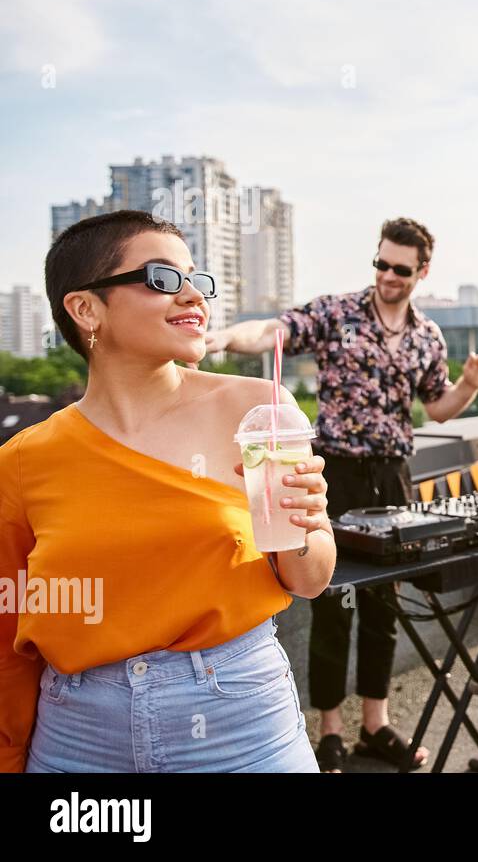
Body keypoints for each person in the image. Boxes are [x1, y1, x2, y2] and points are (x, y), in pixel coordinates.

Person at [1, 210, 335, 773]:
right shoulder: (25, 460)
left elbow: (309, 578)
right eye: (161, 279)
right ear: (86, 308)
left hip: (240, 721)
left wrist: (304, 523)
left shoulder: (259, 411)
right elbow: (9, 627)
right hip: (78, 737)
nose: (192, 296)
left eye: (196, 279)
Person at [207, 217, 478, 772]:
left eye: (400, 269)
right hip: (334, 472)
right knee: (331, 601)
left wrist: (470, 386)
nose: (388, 276)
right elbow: (275, 331)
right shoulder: (337, 313)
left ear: (422, 271)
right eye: (381, 263)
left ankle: (376, 724)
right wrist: (224, 337)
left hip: (392, 475)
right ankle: (331, 732)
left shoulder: (427, 336)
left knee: (383, 603)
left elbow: (437, 406)